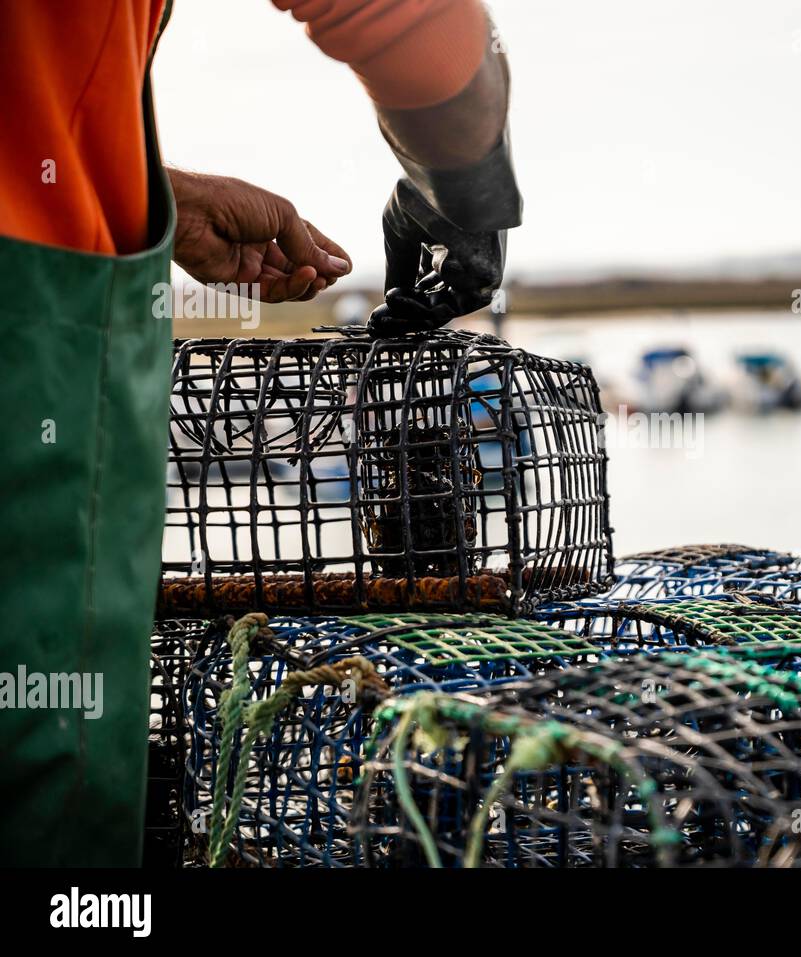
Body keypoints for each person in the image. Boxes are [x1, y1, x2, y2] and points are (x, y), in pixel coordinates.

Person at [0, 0, 521, 866]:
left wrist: (146, 187)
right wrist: (462, 187)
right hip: (29, 338)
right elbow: (426, 37)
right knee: (47, 779)